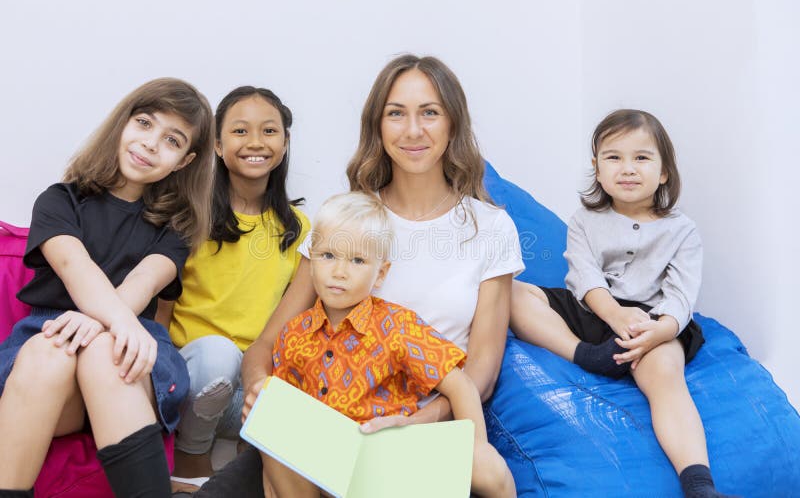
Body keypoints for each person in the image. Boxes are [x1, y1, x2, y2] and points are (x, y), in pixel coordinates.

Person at [195, 54, 524, 497]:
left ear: (453, 123)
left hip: (419, 432)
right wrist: (260, 391)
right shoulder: (347, 221)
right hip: (323, 429)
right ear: (377, 125)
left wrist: (411, 424)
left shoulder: (490, 228)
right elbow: (268, 345)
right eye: (396, 114)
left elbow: (480, 370)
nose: (413, 130)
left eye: (429, 112)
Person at [0, 78, 215, 498]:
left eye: (171, 140)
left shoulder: (177, 228)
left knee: (105, 350)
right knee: (51, 346)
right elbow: (73, 266)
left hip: (126, 352)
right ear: (122, 124)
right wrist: (93, 320)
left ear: (185, 161)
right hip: (50, 364)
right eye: (144, 123)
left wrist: (104, 325)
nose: (151, 144)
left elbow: (144, 280)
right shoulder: (60, 200)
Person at [509, 109, 729, 498]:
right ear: (597, 169)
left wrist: (657, 331)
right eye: (614, 158)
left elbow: (681, 295)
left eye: (641, 158)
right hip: (593, 308)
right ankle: (586, 356)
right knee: (510, 293)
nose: (627, 168)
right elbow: (585, 277)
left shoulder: (681, 230)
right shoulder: (584, 221)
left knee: (665, 377)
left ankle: (699, 485)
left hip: (652, 319)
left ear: (664, 172)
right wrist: (612, 313)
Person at [261, 191, 514, 497]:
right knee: (272, 417)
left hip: (390, 455)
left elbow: (461, 385)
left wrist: (476, 447)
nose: (339, 271)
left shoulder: (395, 325)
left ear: (380, 273)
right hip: (327, 465)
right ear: (311, 258)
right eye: (328, 256)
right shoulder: (294, 335)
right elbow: (279, 420)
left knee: (492, 468)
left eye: (357, 260)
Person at [155, 86, 309, 494]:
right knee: (218, 354)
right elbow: (162, 309)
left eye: (269, 131)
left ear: (285, 142)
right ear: (219, 146)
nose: (256, 142)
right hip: (195, 377)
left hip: (254, 385)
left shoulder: (300, 230)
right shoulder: (189, 216)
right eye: (240, 132)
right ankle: (190, 458)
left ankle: (250, 459)